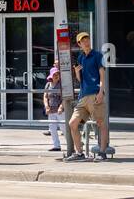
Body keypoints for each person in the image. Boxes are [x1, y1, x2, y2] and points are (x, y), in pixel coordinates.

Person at [68, 31, 107, 161]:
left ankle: (102, 153)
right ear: (79, 44)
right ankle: (79, 152)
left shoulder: (97, 55)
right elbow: (80, 79)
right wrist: (77, 72)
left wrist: (101, 91)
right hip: (83, 96)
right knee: (73, 123)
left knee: (100, 123)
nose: (86, 42)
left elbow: (102, 75)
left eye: (87, 39)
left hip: (95, 94)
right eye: (83, 40)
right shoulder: (80, 58)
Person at [43, 65, 64, 153]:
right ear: (51, 75)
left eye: (58, 74)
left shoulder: (61, 84)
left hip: (60, 110)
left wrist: (61, 107)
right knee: (52, 128)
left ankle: (72, 145)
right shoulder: (48, 84)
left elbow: (65, 97)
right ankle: (56, 146)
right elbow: (45, 96)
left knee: (64, 128)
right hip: (51, 110)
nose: (56, 76)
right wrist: (46, 106)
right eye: (55, 74)